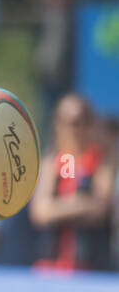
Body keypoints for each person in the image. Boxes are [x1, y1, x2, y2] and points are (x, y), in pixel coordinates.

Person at [30, 93, 116, 273]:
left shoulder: (102, 161)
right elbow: (40, 212)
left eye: (81, 121)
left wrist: (59, 207)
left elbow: (100, 209)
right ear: (58, 124)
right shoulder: (53, 162)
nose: (75, 129)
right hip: (50, 269)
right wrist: (80, 203)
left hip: (90, 270)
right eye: (68, 122)